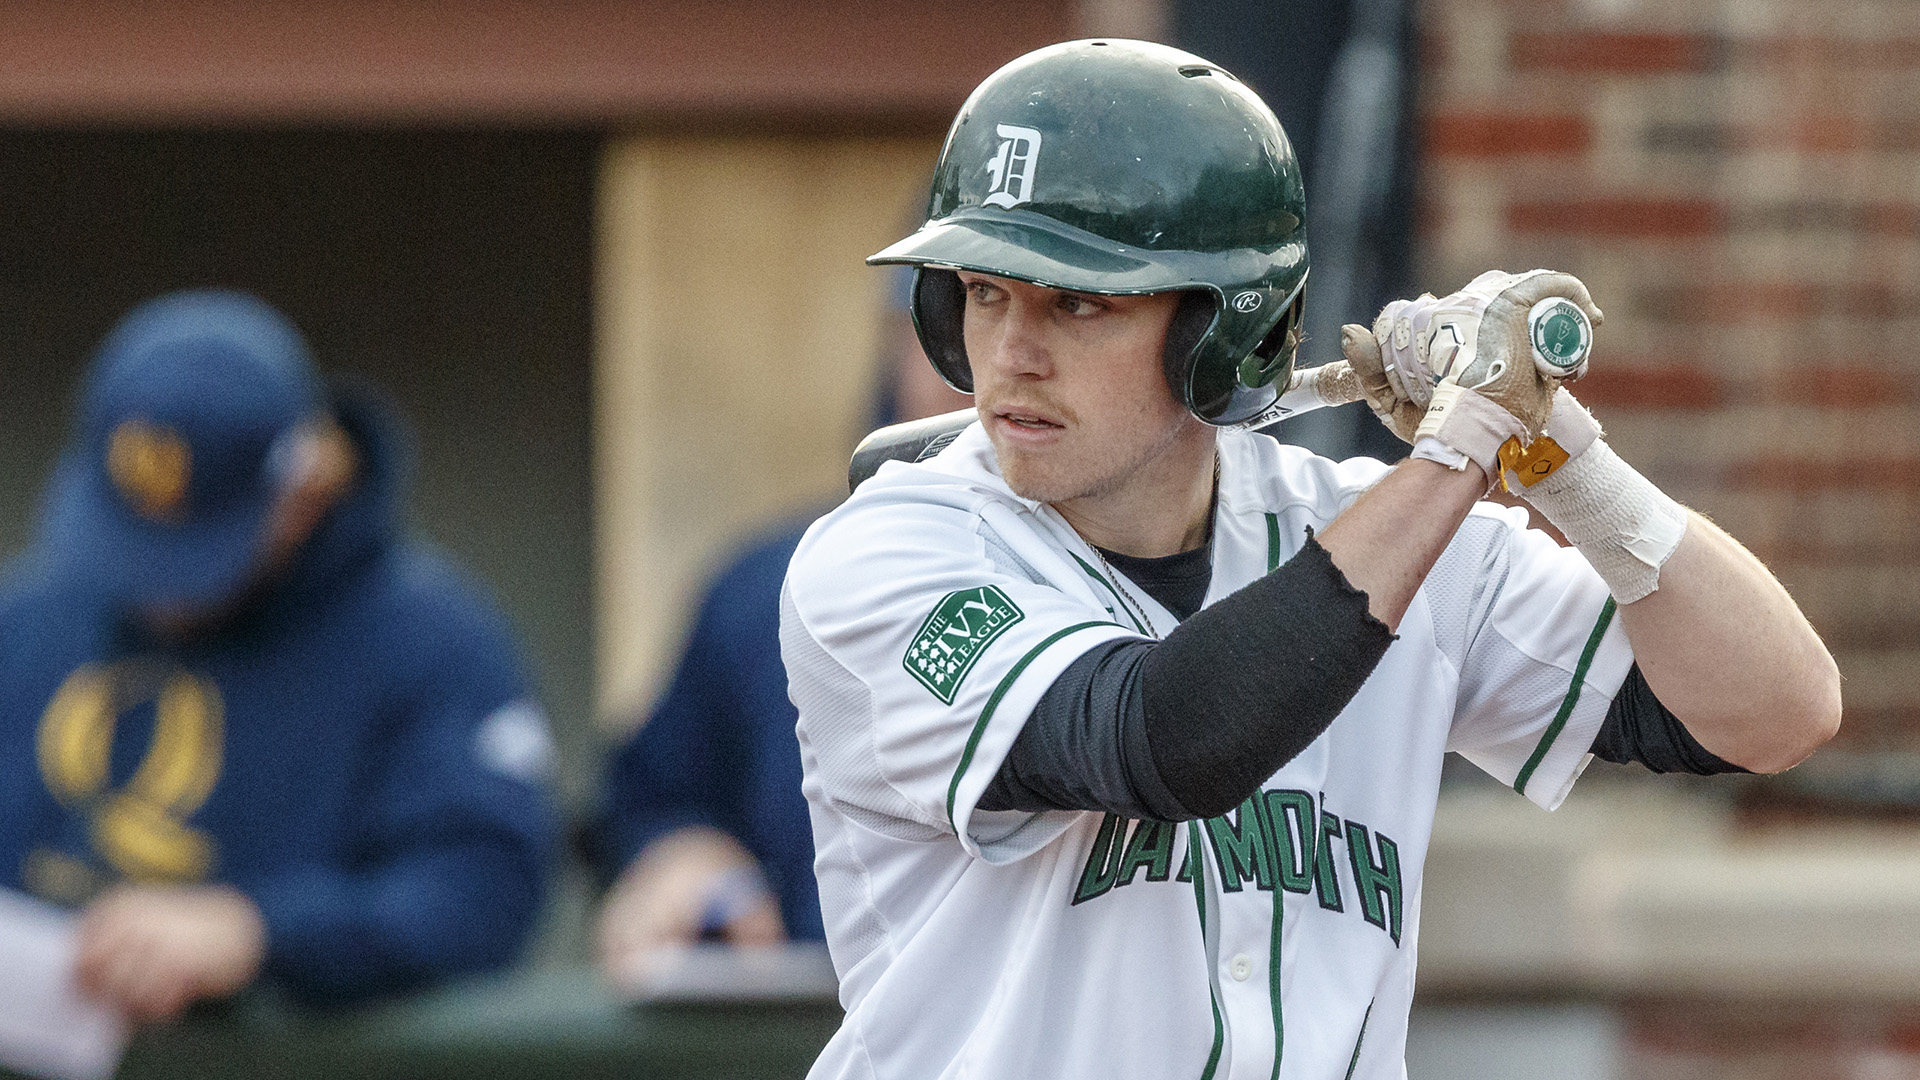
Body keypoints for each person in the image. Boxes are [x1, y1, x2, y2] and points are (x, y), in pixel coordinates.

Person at [780, 39, 1839, 1080]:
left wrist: (1563, 458)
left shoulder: (1374, 528)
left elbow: (1777, 712)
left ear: (1222, 329)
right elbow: (1168, 737)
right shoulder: (886, 557)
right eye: (984, 291)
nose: (1011, 351)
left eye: (1079, 302)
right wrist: (1460, 450)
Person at [0, 290, 556, 1020]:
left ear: (310, 482)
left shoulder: (429, 640)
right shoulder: (34, 615)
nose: (162, 590)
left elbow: (484, 891)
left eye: (201, 547)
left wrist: (263, 933)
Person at [589, 271, 967, 983]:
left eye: (1064, 313)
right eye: (958, 321)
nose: (999, 358)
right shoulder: (777, 586)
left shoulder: (1179, 581)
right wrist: (684, 853)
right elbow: (652, 798)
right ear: (895, 344)